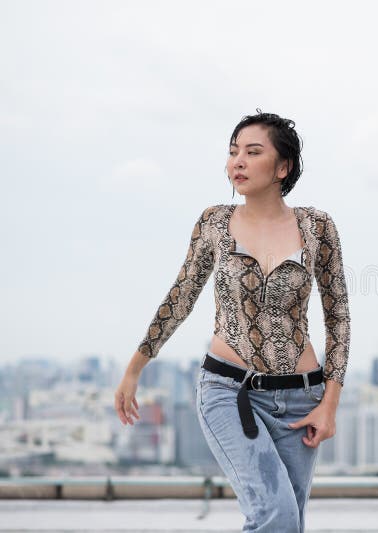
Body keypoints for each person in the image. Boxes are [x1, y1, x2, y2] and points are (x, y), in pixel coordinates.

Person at [114, 110, 351, 533]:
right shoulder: (215, 223)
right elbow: (180, 297)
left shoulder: (318, 227)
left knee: (288, 521)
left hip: (302, 400)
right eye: (232, 152)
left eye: (252, 152)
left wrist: (328, 405)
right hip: (228, 391)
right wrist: (134, 369)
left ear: (283, 167)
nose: (237, 161)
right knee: (273, 516)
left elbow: (339, 317)